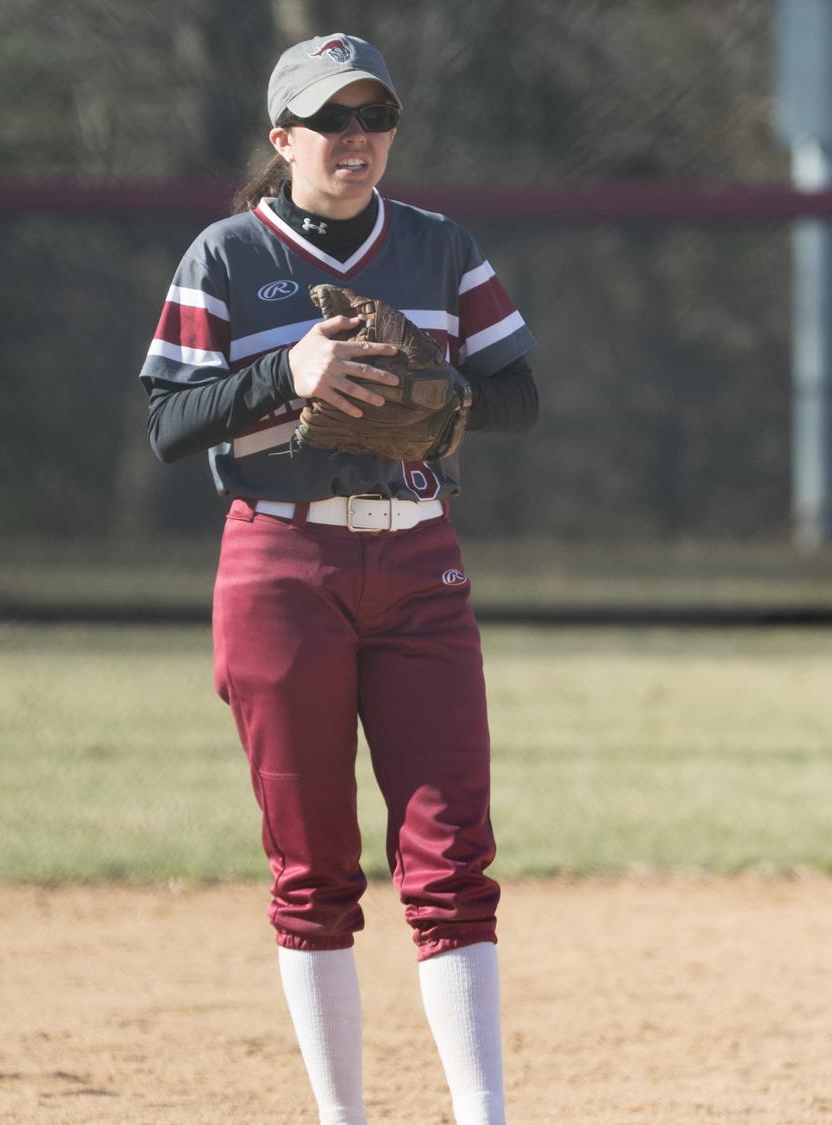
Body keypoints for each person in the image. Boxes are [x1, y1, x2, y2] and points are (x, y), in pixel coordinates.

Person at [138, 32, 537, 1124]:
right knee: (312, 867)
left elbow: (521, 396)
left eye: (372, 117)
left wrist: (438, 390)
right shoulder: (225, 254)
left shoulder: (440, 248)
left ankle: (483, 1112)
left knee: (452, 852)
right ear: (284, 139)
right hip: (280, 559)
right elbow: (171, 421)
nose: (355, 138)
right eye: (330, 119)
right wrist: (285, 372)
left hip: (417, 555)